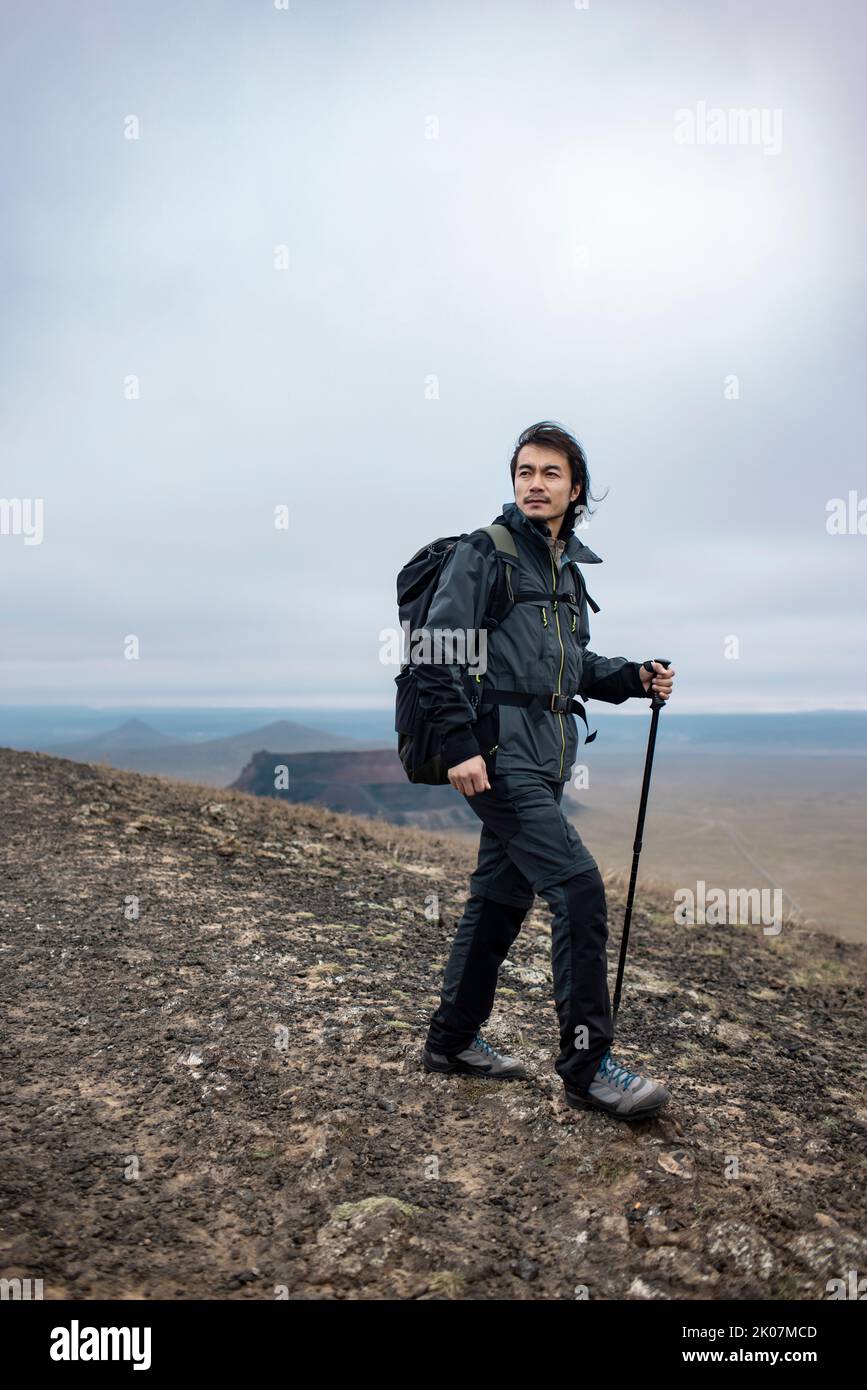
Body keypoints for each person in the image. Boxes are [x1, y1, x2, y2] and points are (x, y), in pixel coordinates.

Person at [416, 421, 676, 1120]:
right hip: (498, 756)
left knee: (500, 900)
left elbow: (570, 668)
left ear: (574, 487)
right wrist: (459, 745)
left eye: (549, 473)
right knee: (578, 888)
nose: (534, 483)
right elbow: (434, 650)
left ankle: (450, 1040)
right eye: (525, 471)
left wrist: (630, 676)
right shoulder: (486, 552)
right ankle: (587, 1069)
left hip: (546, 754)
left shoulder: (564, 568)